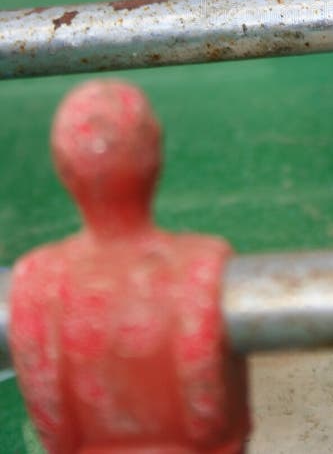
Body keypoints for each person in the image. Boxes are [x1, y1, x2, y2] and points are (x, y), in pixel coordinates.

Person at [9, 80, 249, 453]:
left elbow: (55, 429)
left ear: (61, 165)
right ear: (153, 153)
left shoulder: (34, 278)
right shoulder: (201, 265)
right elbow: (214, 421)